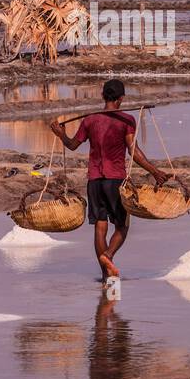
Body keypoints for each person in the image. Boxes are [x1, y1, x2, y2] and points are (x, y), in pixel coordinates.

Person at [48, 79, 170, 280]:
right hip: (115, 180)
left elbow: (71, 145)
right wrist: (154, 171)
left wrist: (61, 134)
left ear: (103, 96)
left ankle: (107, 277)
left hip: (94, 181)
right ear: (121, 98)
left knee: (100, 226)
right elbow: (134, 152)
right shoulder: (126, 120)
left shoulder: (90, 120)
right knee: (122, 226)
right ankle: (108, 255)